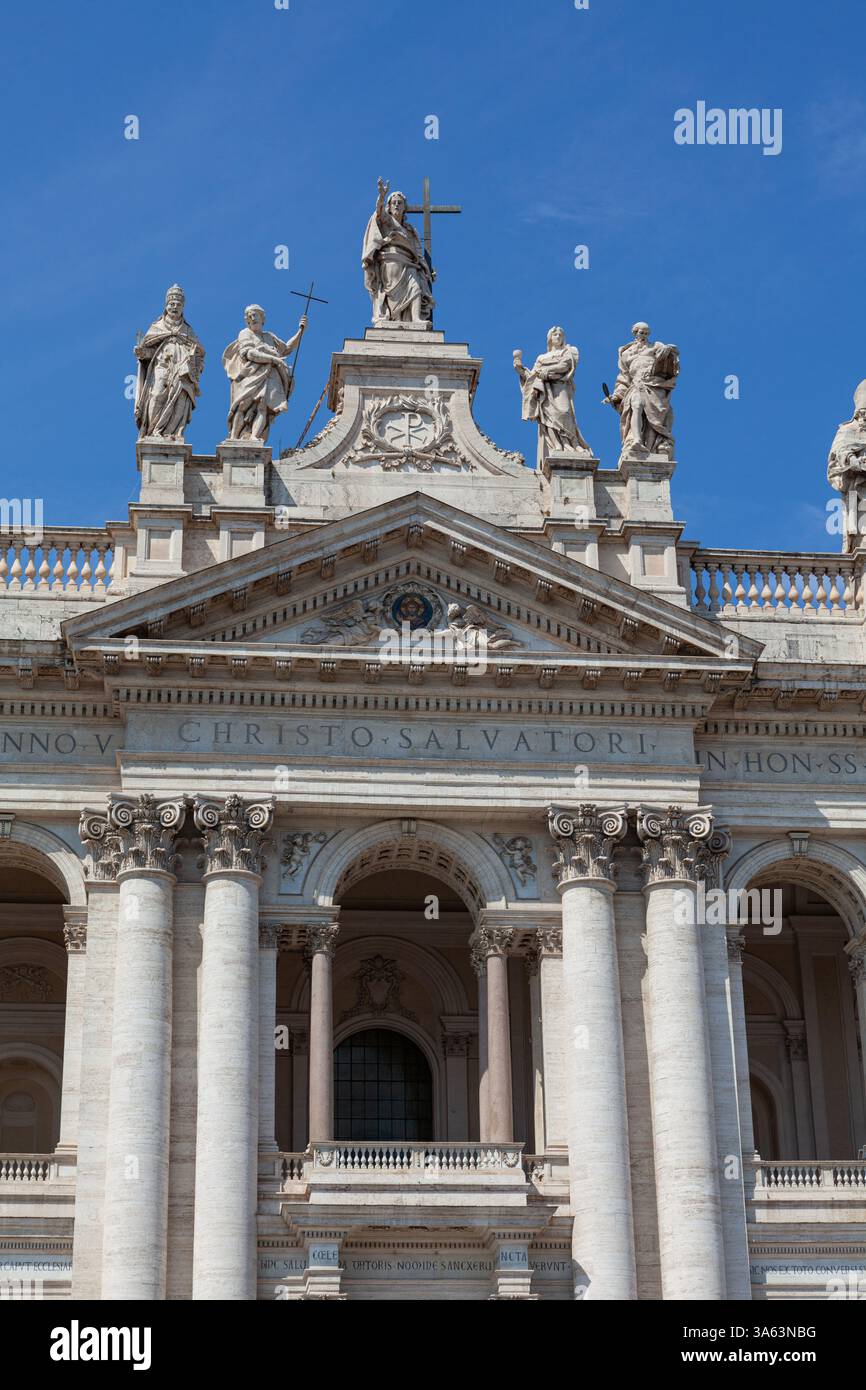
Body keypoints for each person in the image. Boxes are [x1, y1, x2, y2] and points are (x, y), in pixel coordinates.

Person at [222, 305, 307, 443]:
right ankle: (234, 437)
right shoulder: (245, 333)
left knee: (263, 406)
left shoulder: (269, 336)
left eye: (255, 315)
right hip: (251, 375)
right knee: (243, 404)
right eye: (249, 316)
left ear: (262, 318)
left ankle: (255, 436)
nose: (252, 318)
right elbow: (250, 354)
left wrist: (300, 331)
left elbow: (286, 349)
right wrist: (273, 359)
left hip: (270, 375)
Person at [134, 285, 204, 440]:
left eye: (178, 304)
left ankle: (170, 433)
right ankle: (153, 432)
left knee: (180, 396)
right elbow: (150, 352)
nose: (175, 307)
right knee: (157, 394)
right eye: (172, 304)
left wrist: (194, 364)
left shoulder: (188, 331)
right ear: (166, 306)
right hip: (162, 366)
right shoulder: (157, 327)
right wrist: (143, 353)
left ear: (183, 307)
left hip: (182, 370)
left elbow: (199, 354)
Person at [362, 178, 434, 324]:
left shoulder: (410, 230)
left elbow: (418, 253)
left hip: (409, 262)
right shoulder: (386, 221)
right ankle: (392, 317)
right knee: (392, 293)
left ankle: (415, 319)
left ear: (404, 207)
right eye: (393, 202)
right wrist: (382, 196)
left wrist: (426, 270)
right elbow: (378, 212)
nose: (396, 205)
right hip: (390, 260)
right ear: (389, 206)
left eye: (399, 203)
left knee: (415, 287)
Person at [513, 326, 592, 457]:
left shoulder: (567, 352)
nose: (558, 336)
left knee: (565, 412)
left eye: (560, 334)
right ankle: (558, 445)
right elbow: (532, 376)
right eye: (555, 334)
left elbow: (564, 366)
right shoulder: (542, 357)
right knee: (548, 417)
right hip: (545, 391)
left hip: (560, 387)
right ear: (550, 338)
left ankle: (571, 442)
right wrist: (520, 370)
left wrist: (546, 372)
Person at [604, 322, 679, 458]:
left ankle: (650, 447)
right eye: (641, 332)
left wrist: (668, 350)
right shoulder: (626, 353)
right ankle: (636, 440)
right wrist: (616, 396)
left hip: (654, 385)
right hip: (636, 385)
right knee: (636, 406)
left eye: (646, 333)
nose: (644, 336)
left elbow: (672, 351)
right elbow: (623, 378)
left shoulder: (655, 346)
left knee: (653, 419)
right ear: (635, 333)